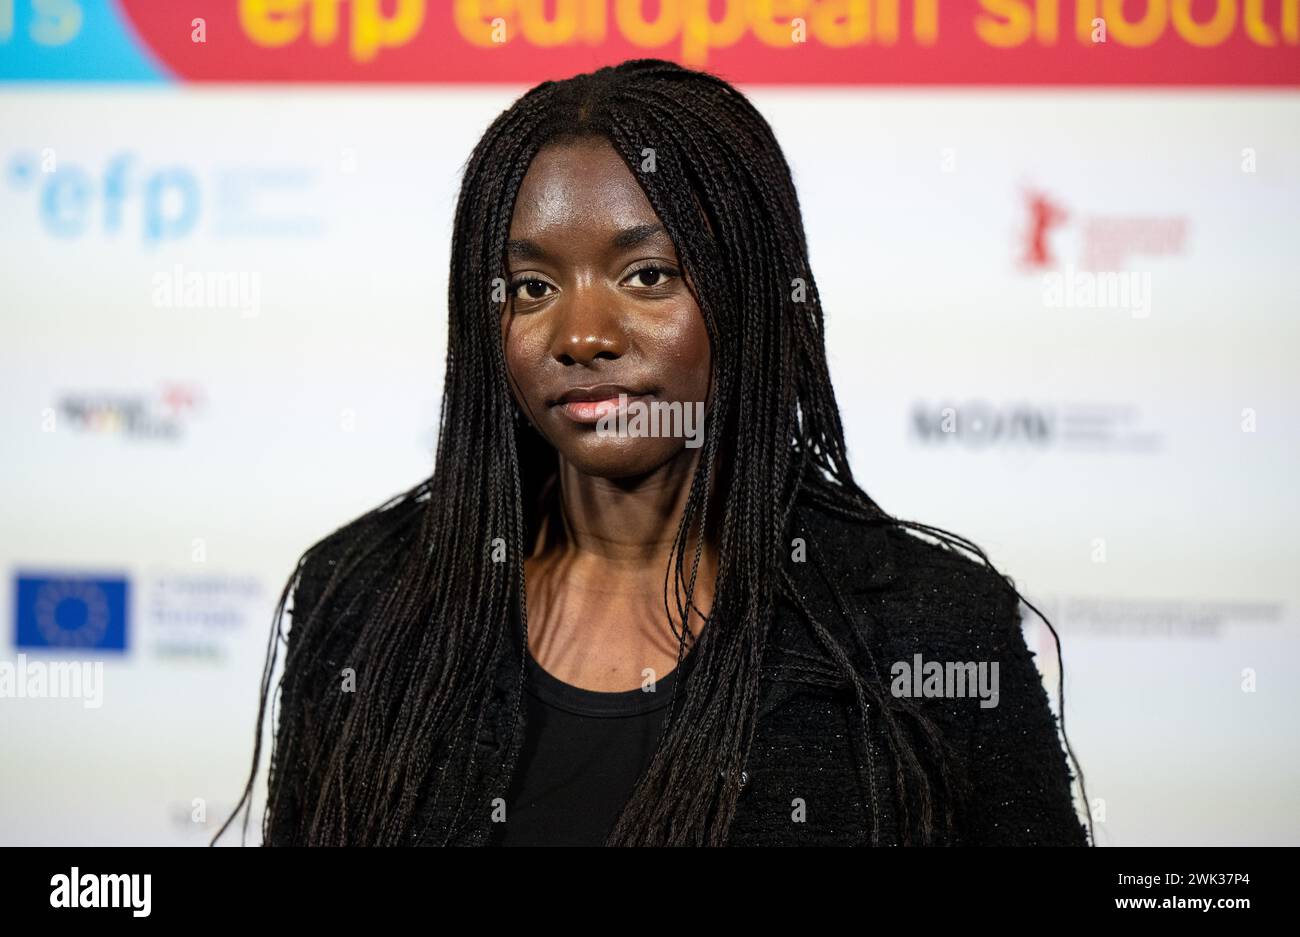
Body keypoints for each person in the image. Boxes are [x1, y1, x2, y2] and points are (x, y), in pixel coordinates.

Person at [214, 58, 1091, 847]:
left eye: (648, 276)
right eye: (533, 287)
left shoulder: (928, 624)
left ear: (752, 295)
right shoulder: (364, 598)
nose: (585, 334)